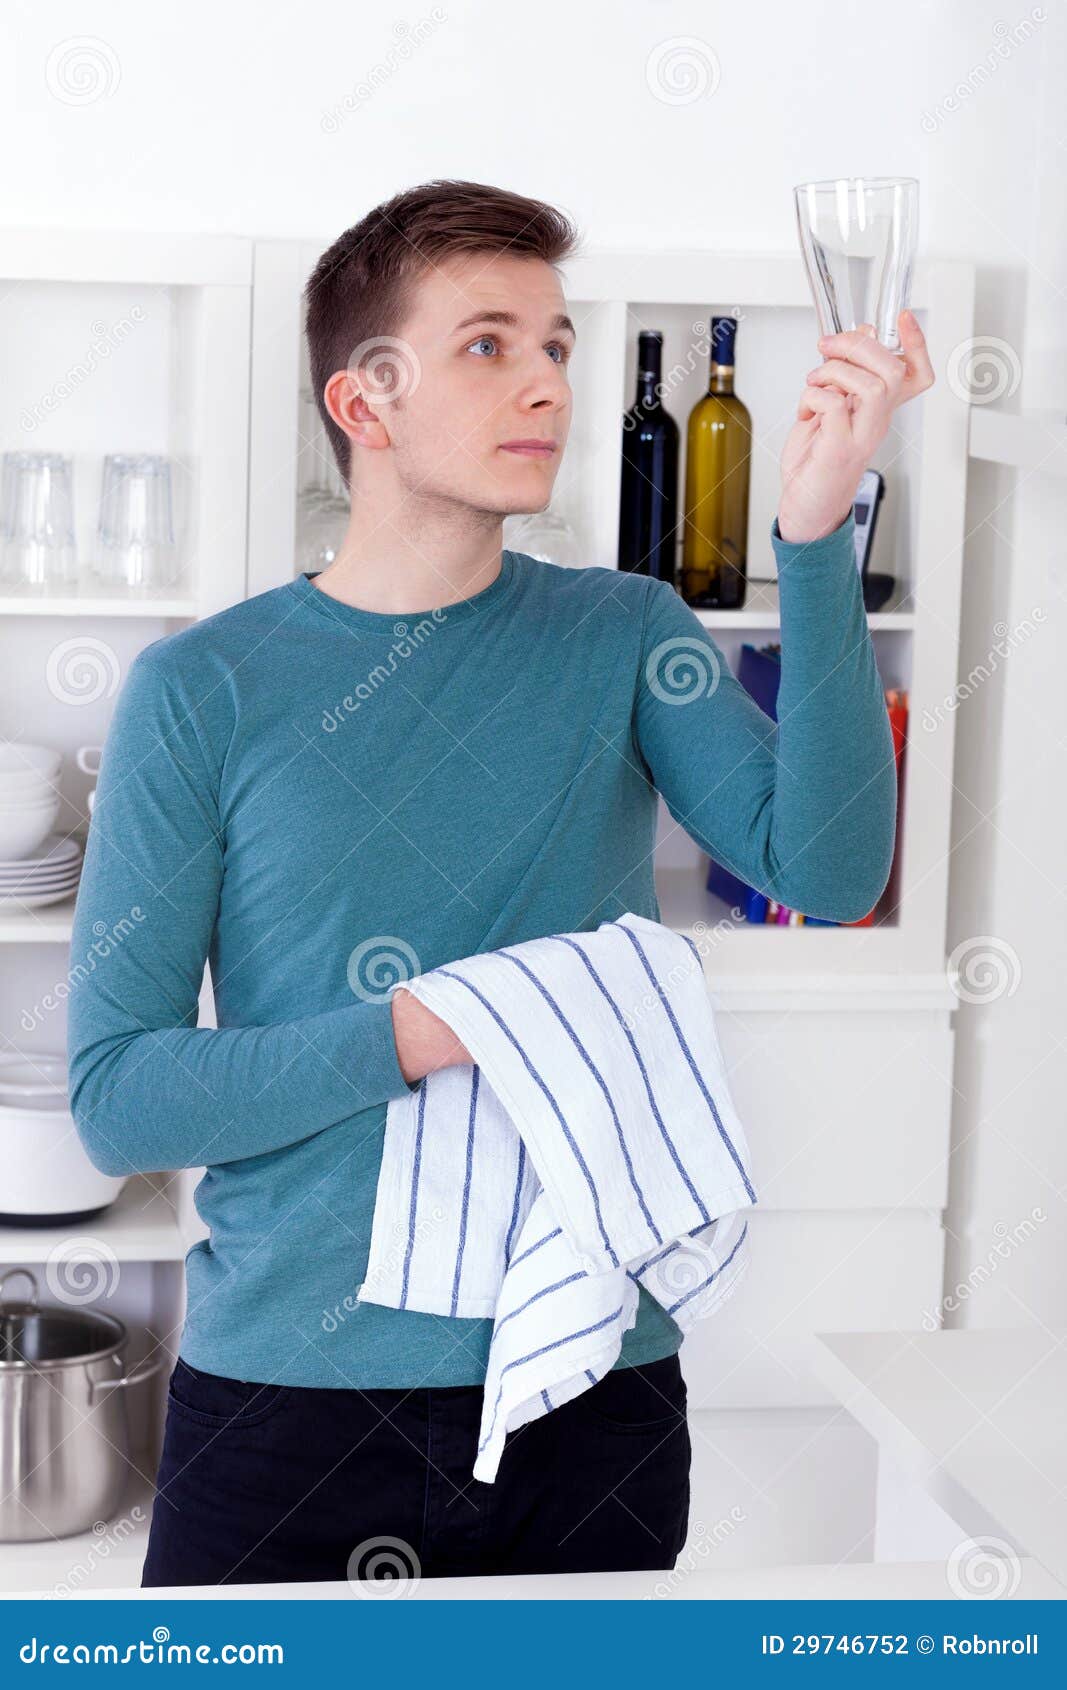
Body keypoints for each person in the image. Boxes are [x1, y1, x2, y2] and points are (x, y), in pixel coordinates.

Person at [66, 178, 933, 1587]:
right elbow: (121, 1099)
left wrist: (817, 529)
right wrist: (422, 1031)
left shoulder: (625, 634)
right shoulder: (202, 688)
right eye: (488, 345)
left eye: (557, 346)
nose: (546, 384)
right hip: (289, 1407)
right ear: (365, 401)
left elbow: (829, 867)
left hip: (592, 1399)